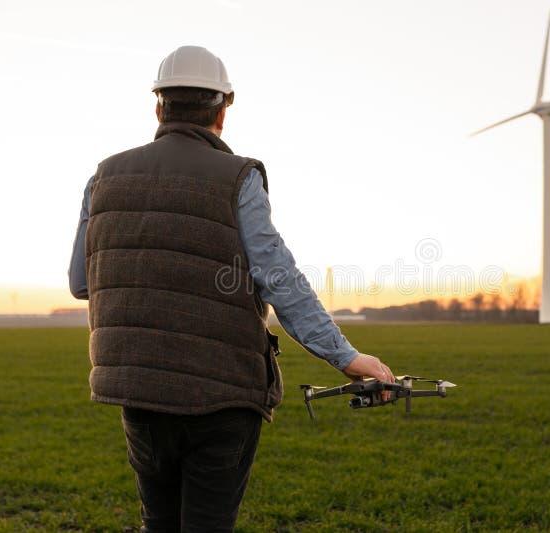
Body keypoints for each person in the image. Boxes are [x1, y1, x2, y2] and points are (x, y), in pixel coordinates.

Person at [68, 45, 394, 532]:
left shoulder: (103, 177)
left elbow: (80, 282)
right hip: (221, 396)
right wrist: (345, 357)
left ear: (159, 108)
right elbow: (278, 278)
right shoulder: (238, 177)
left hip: (139, 392)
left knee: (159, 522)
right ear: (223, 110)